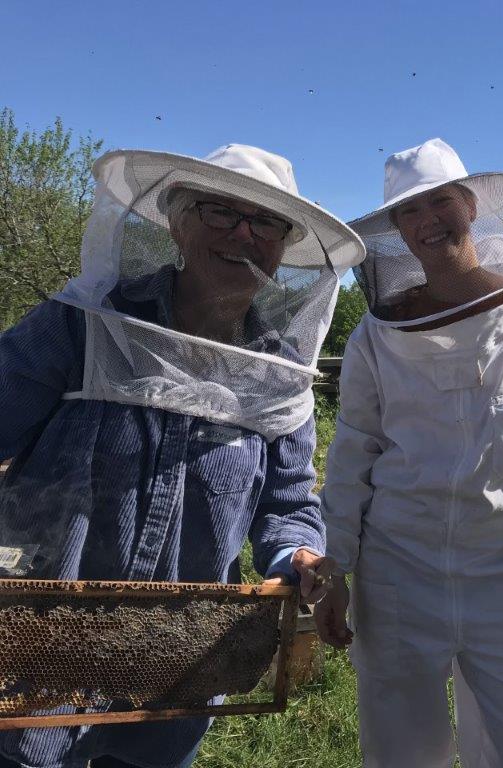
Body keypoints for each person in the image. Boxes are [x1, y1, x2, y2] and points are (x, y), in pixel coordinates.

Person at [0, 144, 365, 768]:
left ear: (283, 247)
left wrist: (297, 556)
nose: (244, 234)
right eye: (220, 212)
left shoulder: (279, 374)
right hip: (38, 656)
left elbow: (285, 504)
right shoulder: (86, 323)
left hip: (175, 670)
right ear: (177, 222)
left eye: (266, 223)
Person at [315, 138, 503, 767]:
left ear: (471, 206)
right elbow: (353, 451)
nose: (427, 222)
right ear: (395, 230)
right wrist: (336, 561)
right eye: (409, 213)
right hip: (396, 570)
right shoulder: (376, 332)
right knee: (402, 752)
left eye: (440, 202)